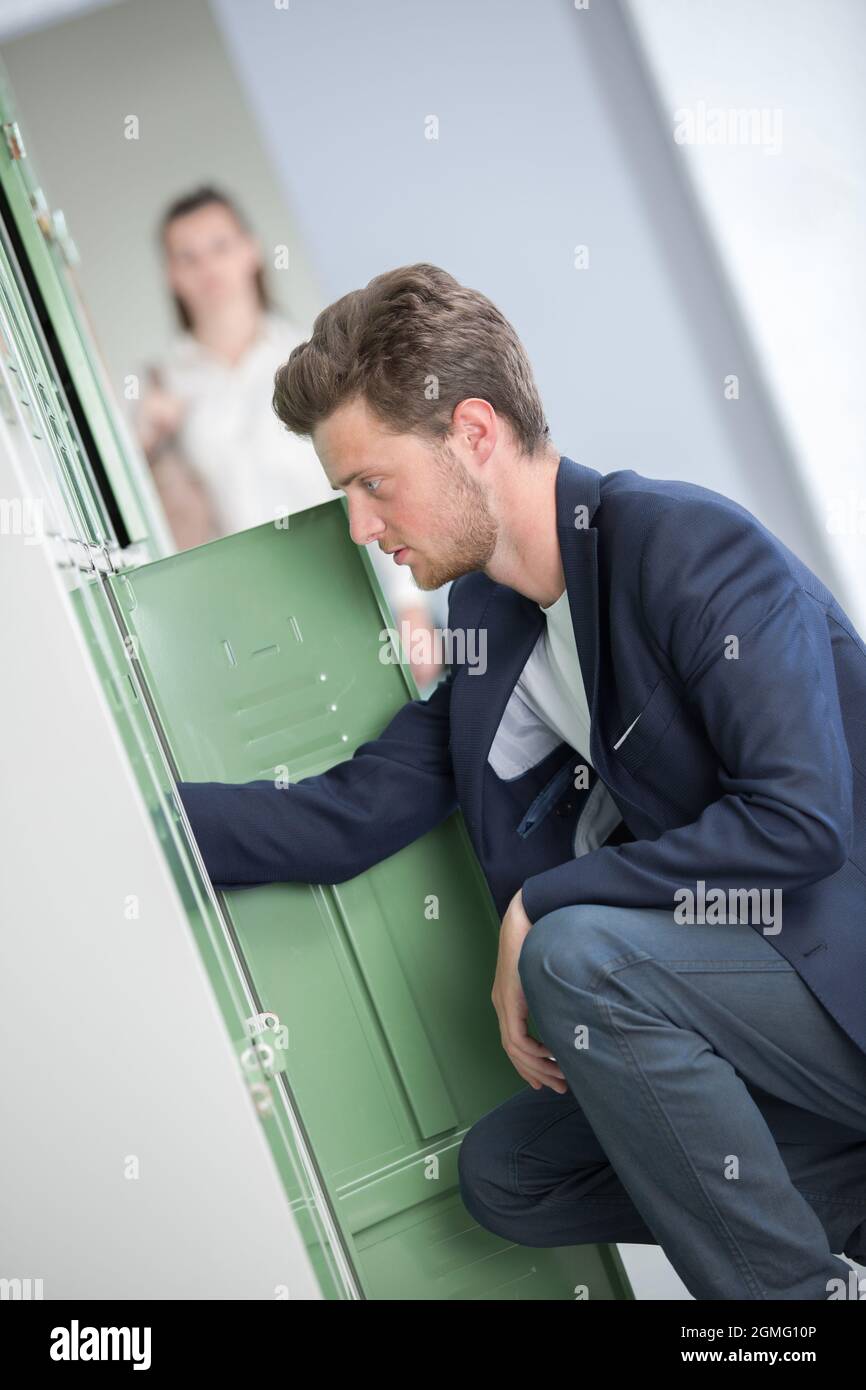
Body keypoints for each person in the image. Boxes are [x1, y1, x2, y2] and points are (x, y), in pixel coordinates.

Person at [176, 262, 866, 1300]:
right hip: (759, 1032)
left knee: (578, 956)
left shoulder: (684, 548)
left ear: (473, 433)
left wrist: (547, 900)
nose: (360, 527)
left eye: (371, 481)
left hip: (837, 979)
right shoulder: (493, 630)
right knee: (509, 1174)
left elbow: (797, 825)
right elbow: (351, 812)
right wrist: (114, 820)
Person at [132, 186, 440, 688]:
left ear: (251, 250)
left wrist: (410, 606)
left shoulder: (317, 356)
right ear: (171, 275)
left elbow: (374, 479)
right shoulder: (160, 388)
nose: (207, 268)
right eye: (187, 257)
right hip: (249, 629)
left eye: (220, 247)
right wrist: (146, 443)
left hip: (355, 598)